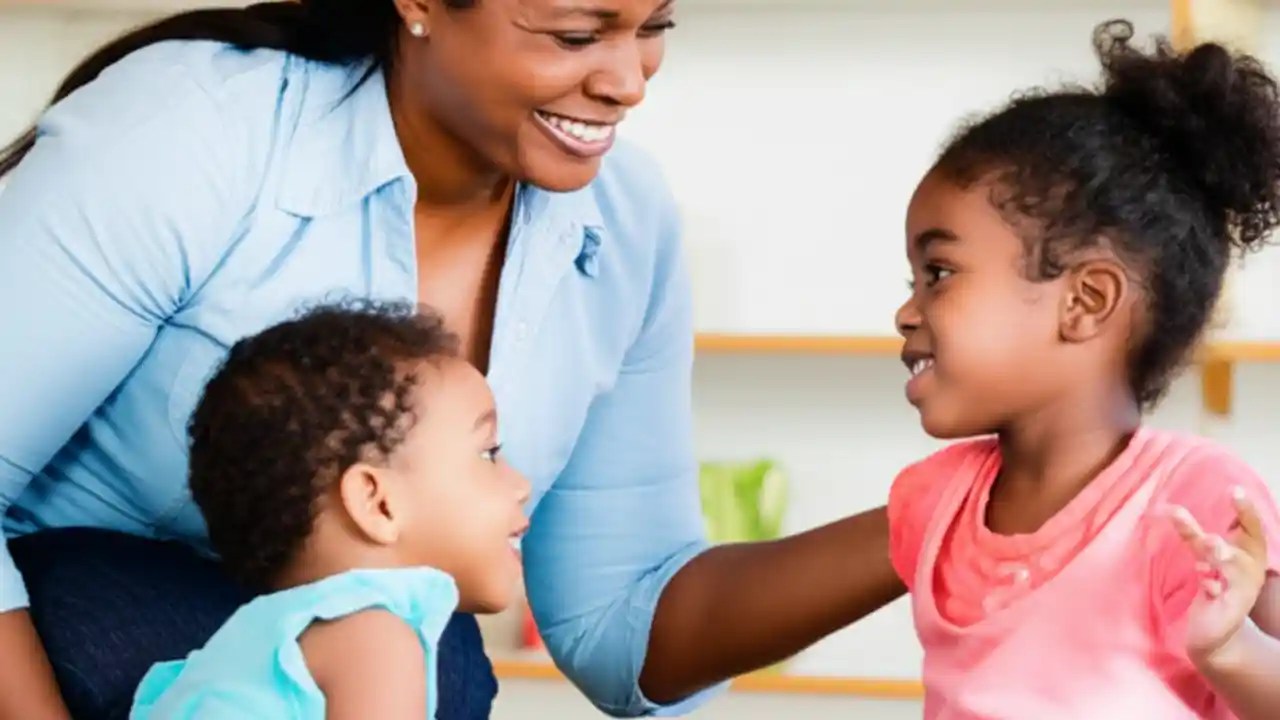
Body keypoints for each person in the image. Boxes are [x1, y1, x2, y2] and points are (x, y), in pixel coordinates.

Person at [0, 1, 903, 718]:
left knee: (437, 646)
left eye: (655, 26)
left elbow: (622, 628)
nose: (627, 81)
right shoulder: (197, 128)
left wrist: (935, 520)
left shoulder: (624, 224)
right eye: (577, 33)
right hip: (61, 649)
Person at [886, 19, 1280, 719]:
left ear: (1085, 301)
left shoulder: (1194, 502)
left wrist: (1230, 651)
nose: (906, 313)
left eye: (938, 273)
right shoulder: (932, 503)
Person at [130, 300, 532, 718]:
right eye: (488, 453)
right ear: (378, 503)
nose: (521, 486)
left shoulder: (237, 651)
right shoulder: (375, 639)